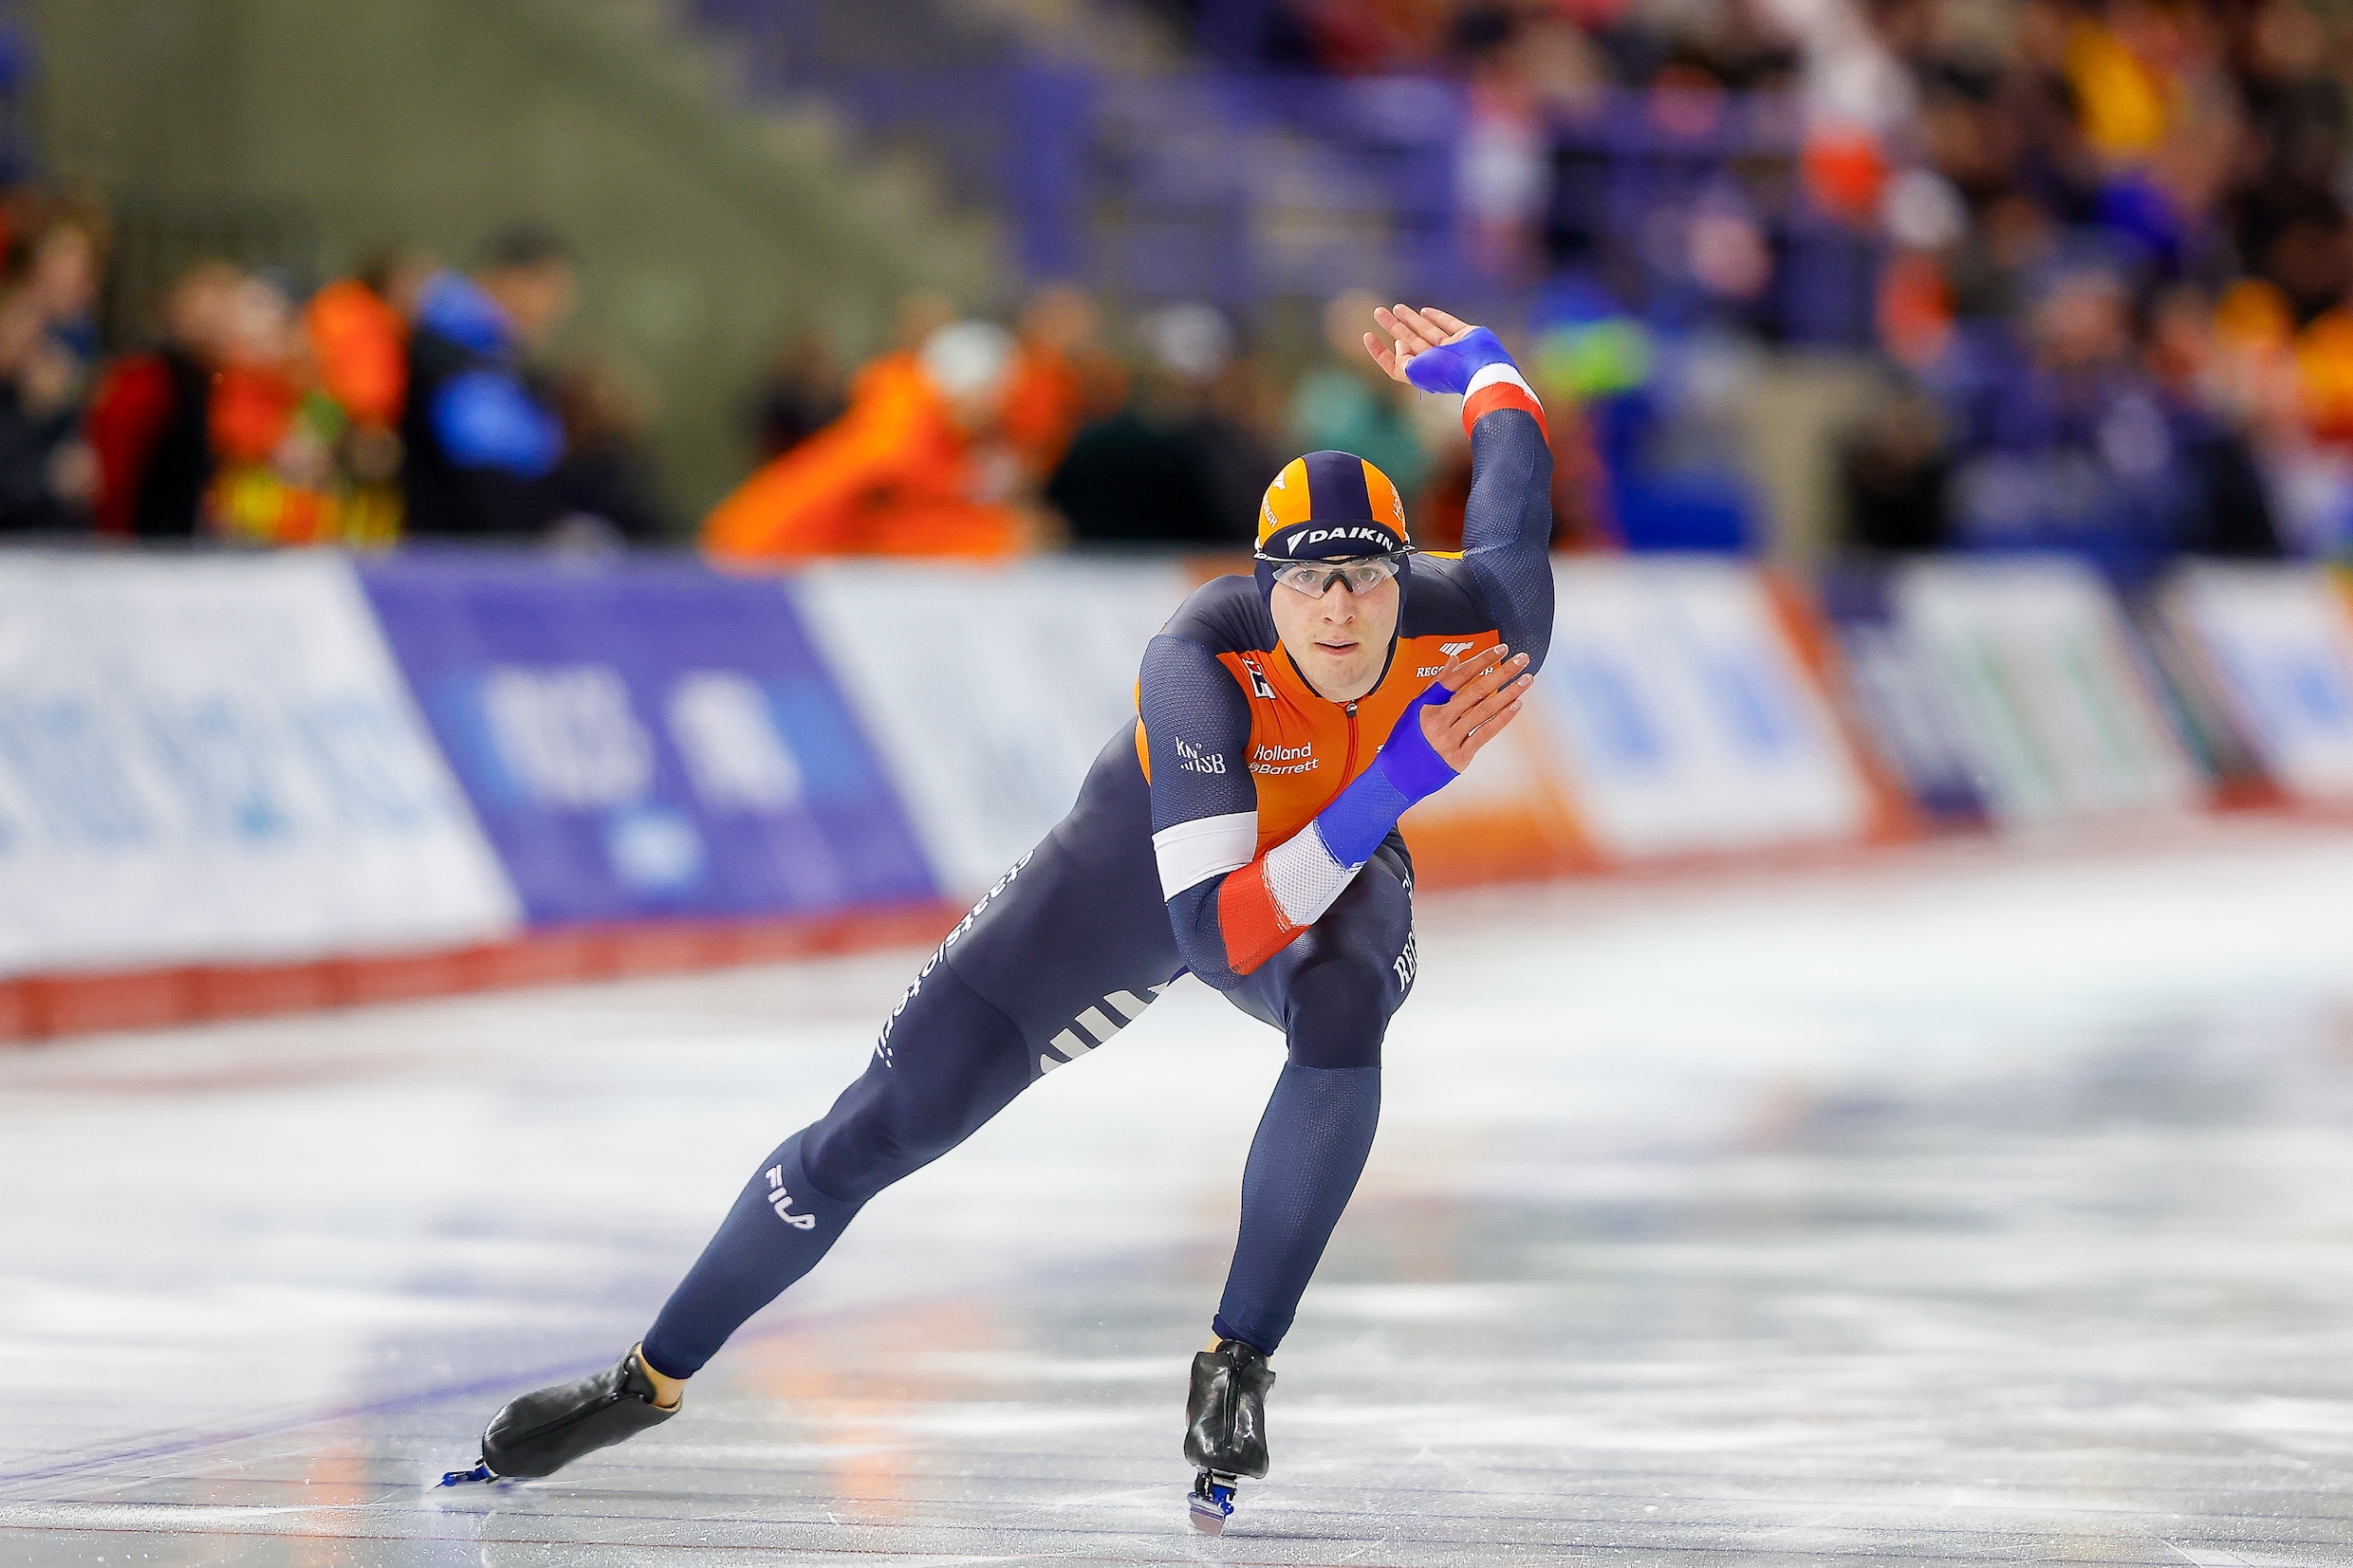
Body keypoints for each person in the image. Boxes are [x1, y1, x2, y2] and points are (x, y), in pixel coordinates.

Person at [449, 304, 1555, 1534]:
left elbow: (1512, 488)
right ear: (1262, 584)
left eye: (1362, 578)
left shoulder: (1486, 619)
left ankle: (1237, 1361)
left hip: (1336, 872)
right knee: (875, 1131)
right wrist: (1397, 777)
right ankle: (646, 1376)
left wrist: (1488, 370)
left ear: (1407, 580)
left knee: (1344, 1003)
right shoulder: (1198, 656)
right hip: (1142, 883)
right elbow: (1217, 939)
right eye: (1304, 580)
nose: (1338, 613)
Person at [702, 320, 1031, 561]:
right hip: (765, 560)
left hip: (770, 552)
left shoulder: (912, 420)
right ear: (971, 392)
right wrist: (993, 536)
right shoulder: (898, 439)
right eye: (995, 398)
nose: (997, 412)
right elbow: (886, 533)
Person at [400, 228, 574, 538]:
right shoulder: (456, 355)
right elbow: (487, 487)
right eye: (550, 291)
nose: (555, 309)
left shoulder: (491, 357)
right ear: (510, 279)